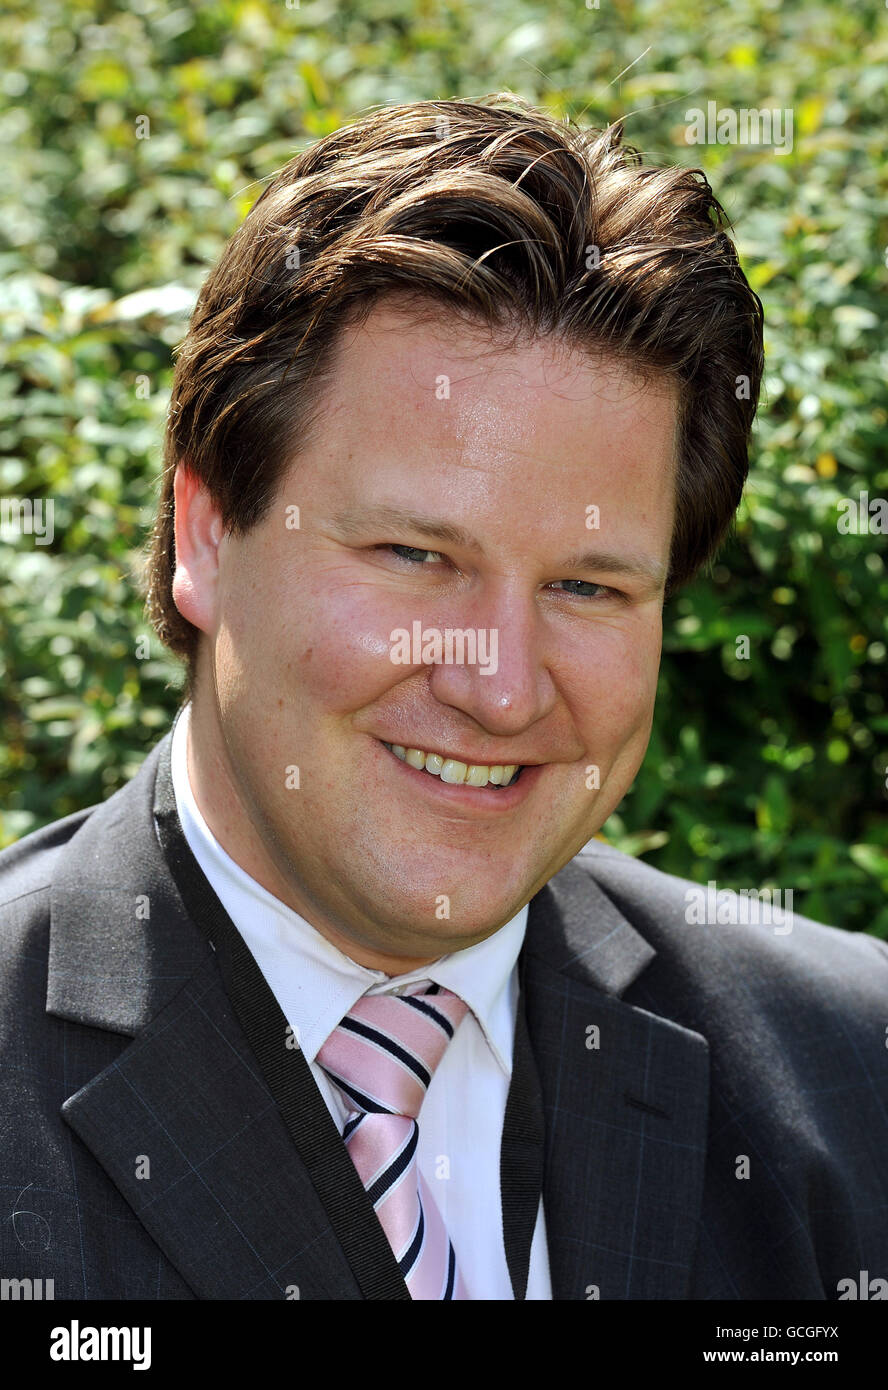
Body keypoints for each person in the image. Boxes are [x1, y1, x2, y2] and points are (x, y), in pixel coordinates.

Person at [1, 94, 886, 1302]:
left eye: (587, 584)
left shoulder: (851, 1066)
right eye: (417, 556)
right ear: (206, 532)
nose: (503, 686)